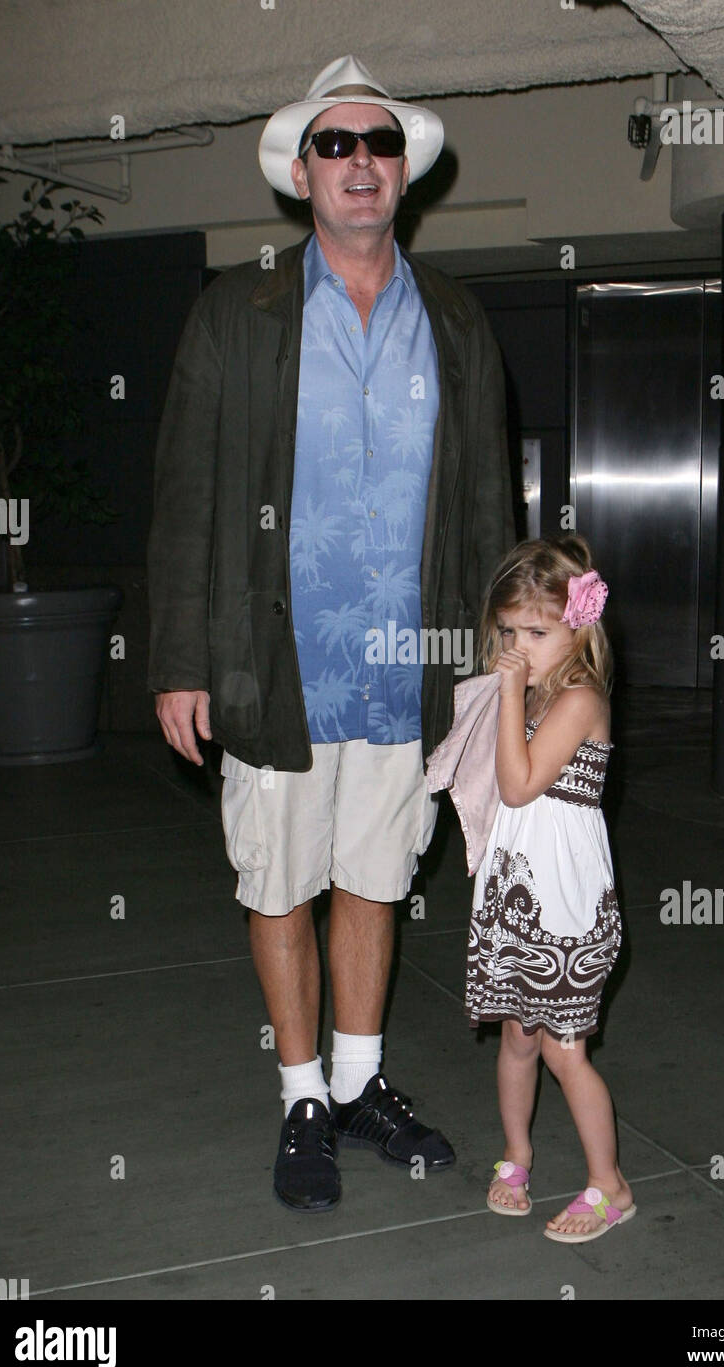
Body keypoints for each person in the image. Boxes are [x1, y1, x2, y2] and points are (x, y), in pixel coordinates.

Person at [147, 54, 516, 1213]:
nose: (360, 162)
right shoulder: (236, 314)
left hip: (410, 666)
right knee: (279, 886)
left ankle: (361, 1082)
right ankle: (301, 1093)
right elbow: (188, 495)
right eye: (336, 144)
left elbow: (487, 505)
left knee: (374, 878)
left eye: (378, 145)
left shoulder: (456, 321)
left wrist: (503, 657)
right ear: (302, 173)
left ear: (402, 172)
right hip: (278, 660)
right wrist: (180, 662)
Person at [462, 534, 635, 1241]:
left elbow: (519, 782)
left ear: (577, 628)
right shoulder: (529, 693)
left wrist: (506, 693)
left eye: (536, 631)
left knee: (565, 1049)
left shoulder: (577, 699)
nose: (518, 646)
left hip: (565, 909)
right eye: (507, 631)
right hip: (515, 903)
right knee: (518, 1039)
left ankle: (609, 1186)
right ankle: (517, 1155)